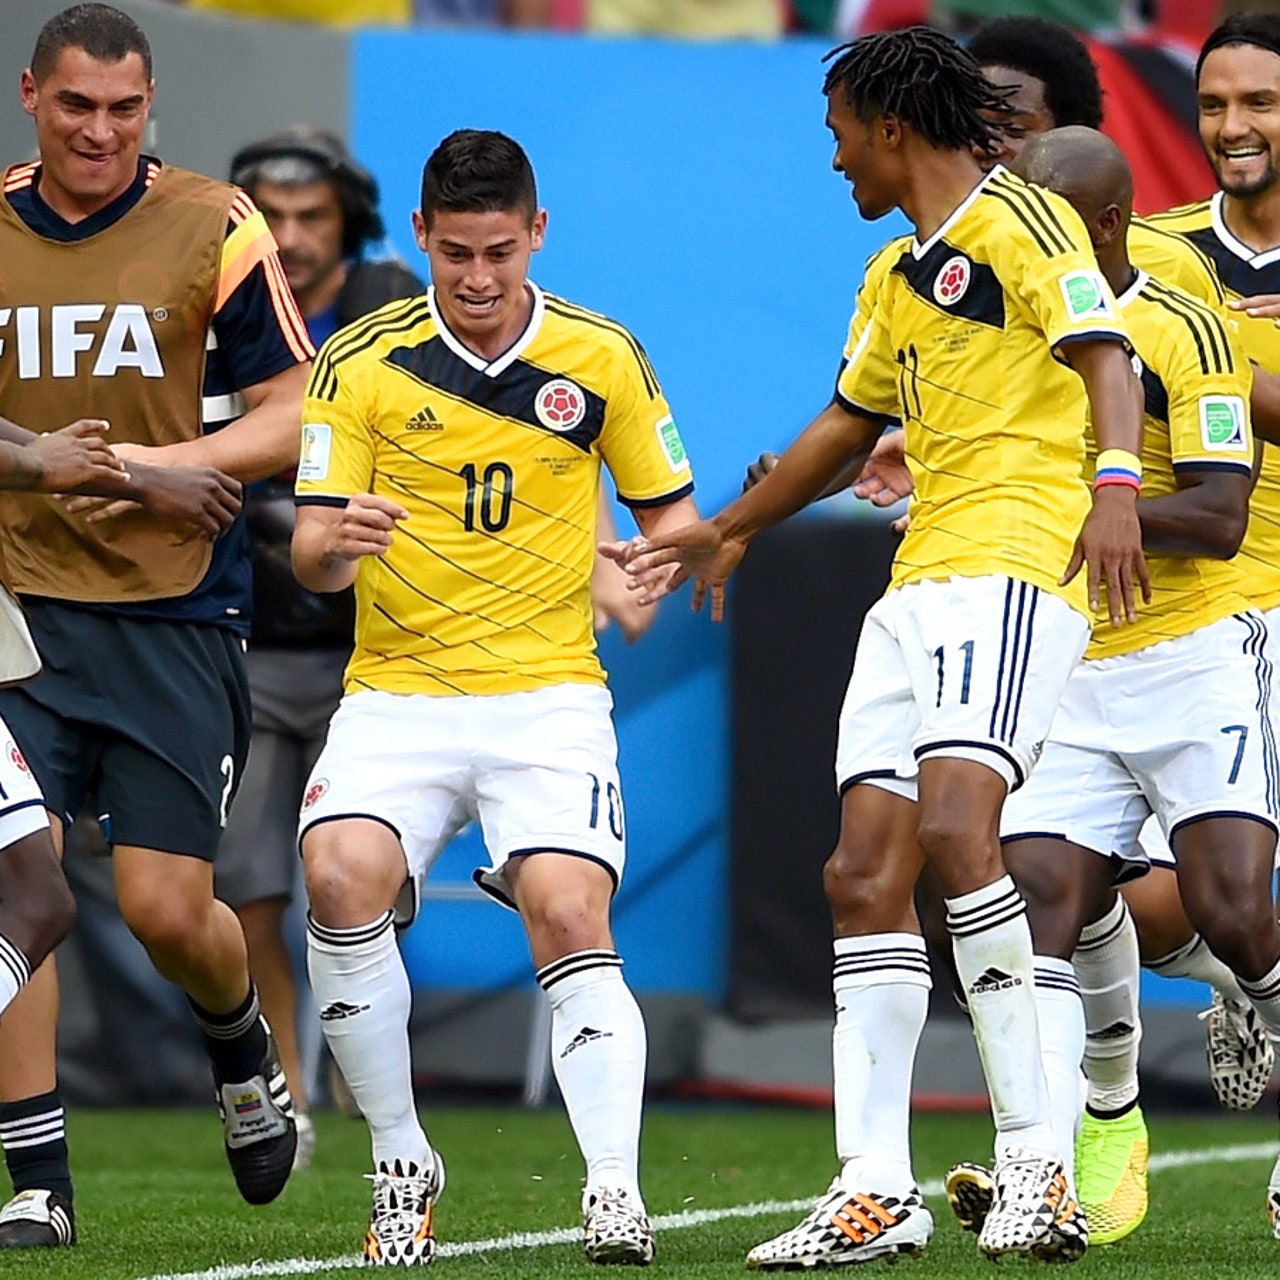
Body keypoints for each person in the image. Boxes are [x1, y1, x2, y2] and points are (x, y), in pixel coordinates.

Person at [613, 24, 1146, 1268]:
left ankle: (1036, 1165)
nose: (835, 159)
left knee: (959, 833)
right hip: (915, 585)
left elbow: (1106, 356)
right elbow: (843, 427)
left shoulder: (1025, 223)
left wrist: (1116, 484)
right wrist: (728, 530)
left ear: (890, 129)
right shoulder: (893, 277)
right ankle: (873, 1186)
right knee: (859, 872)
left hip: (1012, 565)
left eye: (840, 134)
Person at [291, 127, 697, 1267]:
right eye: (456, 252)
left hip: (547, 697)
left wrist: (648, 567)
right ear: (421, 235)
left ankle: (613, 1189)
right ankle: (400, 1158)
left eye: (500, 252)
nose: (476, 278)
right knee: (338, 876)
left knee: (567, 909)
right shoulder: (358, 360)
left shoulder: (602, 356)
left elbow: (671, 523)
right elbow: (311, 553)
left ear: (538, 235)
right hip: (397, 693)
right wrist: (336, 543)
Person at [0, 3, 313, 1247]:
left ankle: (239, 1045)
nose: (101, 131)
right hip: (18, 614)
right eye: (77, 105)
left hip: (175, 610)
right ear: (31, 96)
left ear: (151, 105)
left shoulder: (215, 223)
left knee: (169, 910)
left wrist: (145, 470)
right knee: (15, 884)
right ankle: (38, 1180)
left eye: (124, 108)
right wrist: (78, 472)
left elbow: (293, 410)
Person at [938, 123, 1267, 1257]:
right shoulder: (1008, 327)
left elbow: (1221, 513)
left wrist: (1101, 511)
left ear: (1111, 224)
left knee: (1232, 912)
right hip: (1066, 663)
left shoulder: (1184, 326)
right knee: (1038, 901)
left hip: (1189, 656)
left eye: (1056, 227)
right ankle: (1056, 1154)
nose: (1031, 248)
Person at [219, 126, 426, 1166]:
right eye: (271, 218)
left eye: (312, 217)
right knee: (249, 882)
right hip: (244, 638)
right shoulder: (214, 301)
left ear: (351, 222)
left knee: (365, 876)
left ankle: (361, 1050)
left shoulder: (395, 308)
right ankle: (291, 1094)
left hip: (377, 650)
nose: (292, 238)